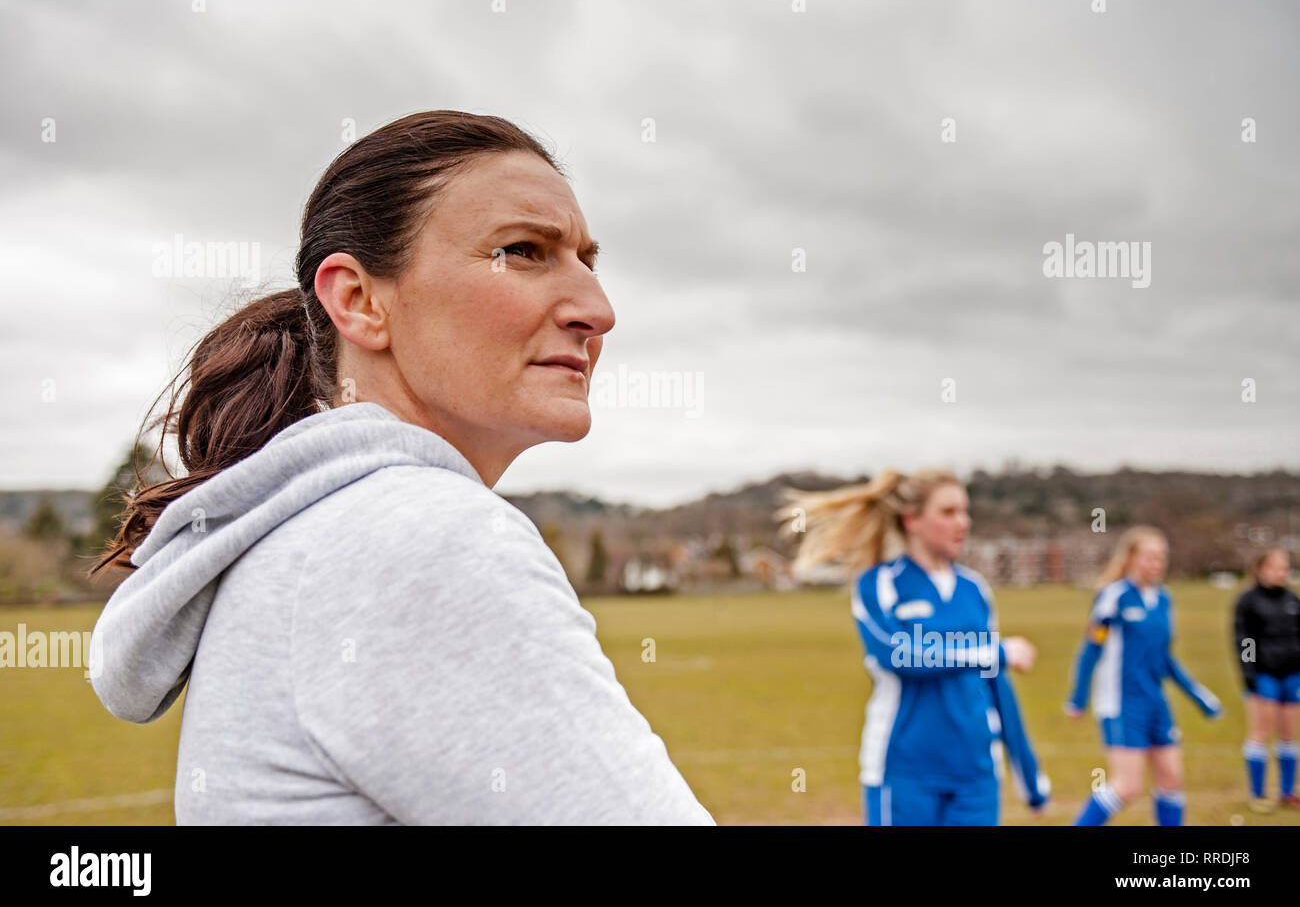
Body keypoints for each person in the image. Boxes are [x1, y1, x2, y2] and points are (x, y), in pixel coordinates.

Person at [87, 109, 714, 825]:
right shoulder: (419, 537)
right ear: (358, 301)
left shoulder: (322, 531)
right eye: (523, 249)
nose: (596, 309)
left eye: (586, 260)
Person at [779, 469, 1050, 825]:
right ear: (912, 520)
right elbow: (898, 655)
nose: (963, 522)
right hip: (903, 773)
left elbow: (998, 685)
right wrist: (993, 652)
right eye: (948, 512)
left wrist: (1029, 775)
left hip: (977, 776)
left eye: (965, 512)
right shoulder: (880, 585)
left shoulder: (975, 590)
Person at [1066, 526, 1221, 826]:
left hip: (1155, 701)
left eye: (1161, 557)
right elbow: (1090, 650)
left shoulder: (1164, 599)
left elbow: (1165, 658)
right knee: (1127, 787)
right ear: (1132, 558)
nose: (1157, 564)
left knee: (1171, 779)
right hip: (1122, 702)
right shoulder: (1114, 596)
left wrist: (1199, 696)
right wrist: (1077, 698)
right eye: (1150, 557)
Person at [1233, 547, 1300, 812]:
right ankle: (1258, 792)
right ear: (1260, 568)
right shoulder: (1248, 601)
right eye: (1275, 567)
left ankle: (1288, 792)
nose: (1280, 572)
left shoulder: (1292, 599)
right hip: (1264, 675)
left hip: (1292, 675)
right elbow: (1244, 639)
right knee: (1261, 731)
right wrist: (1250, 674)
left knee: (1288, 734)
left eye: (1284, 567)